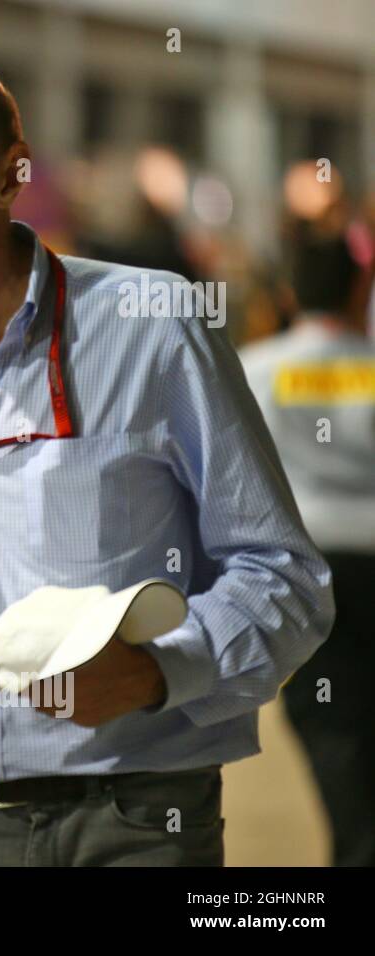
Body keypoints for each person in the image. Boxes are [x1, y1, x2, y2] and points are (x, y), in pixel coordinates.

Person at [0, 51, 335, 866]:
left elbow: (285, 576)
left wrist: (163, 670)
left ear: (9, 174)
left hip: (134, 820)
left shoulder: (152, 326)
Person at [240, 231, 375, 866]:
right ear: (360, 287)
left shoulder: (258, 368)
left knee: (329, 720)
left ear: (289, 291)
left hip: (307, 572)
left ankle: (352, 841)